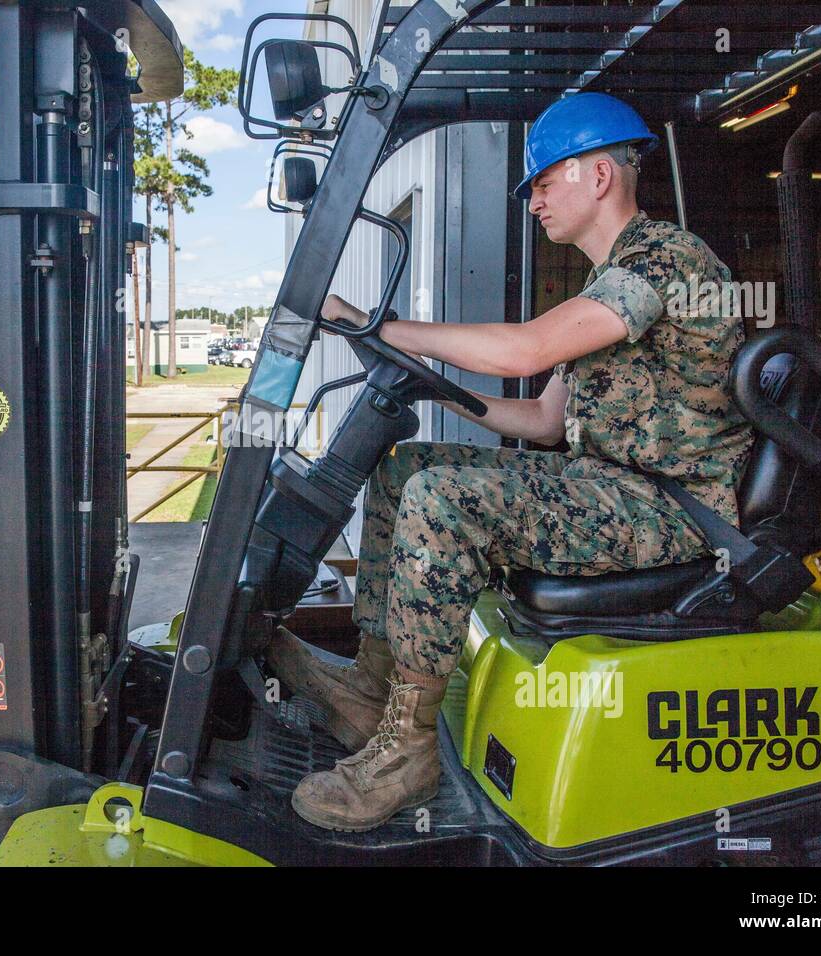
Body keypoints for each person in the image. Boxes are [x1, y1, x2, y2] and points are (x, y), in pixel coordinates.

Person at [268, 92, 756, 832]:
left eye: (544, 182)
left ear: (598, 174)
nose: (532, 201)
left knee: (443, 499)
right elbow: (539, 418)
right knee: (408, 469)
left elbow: (525, 349)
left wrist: (374, 325)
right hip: (607, 489)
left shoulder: (666, 258)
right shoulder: (607, 286)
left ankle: (406, 750)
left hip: (674, 510)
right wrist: (428, 380)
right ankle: (373, 690)